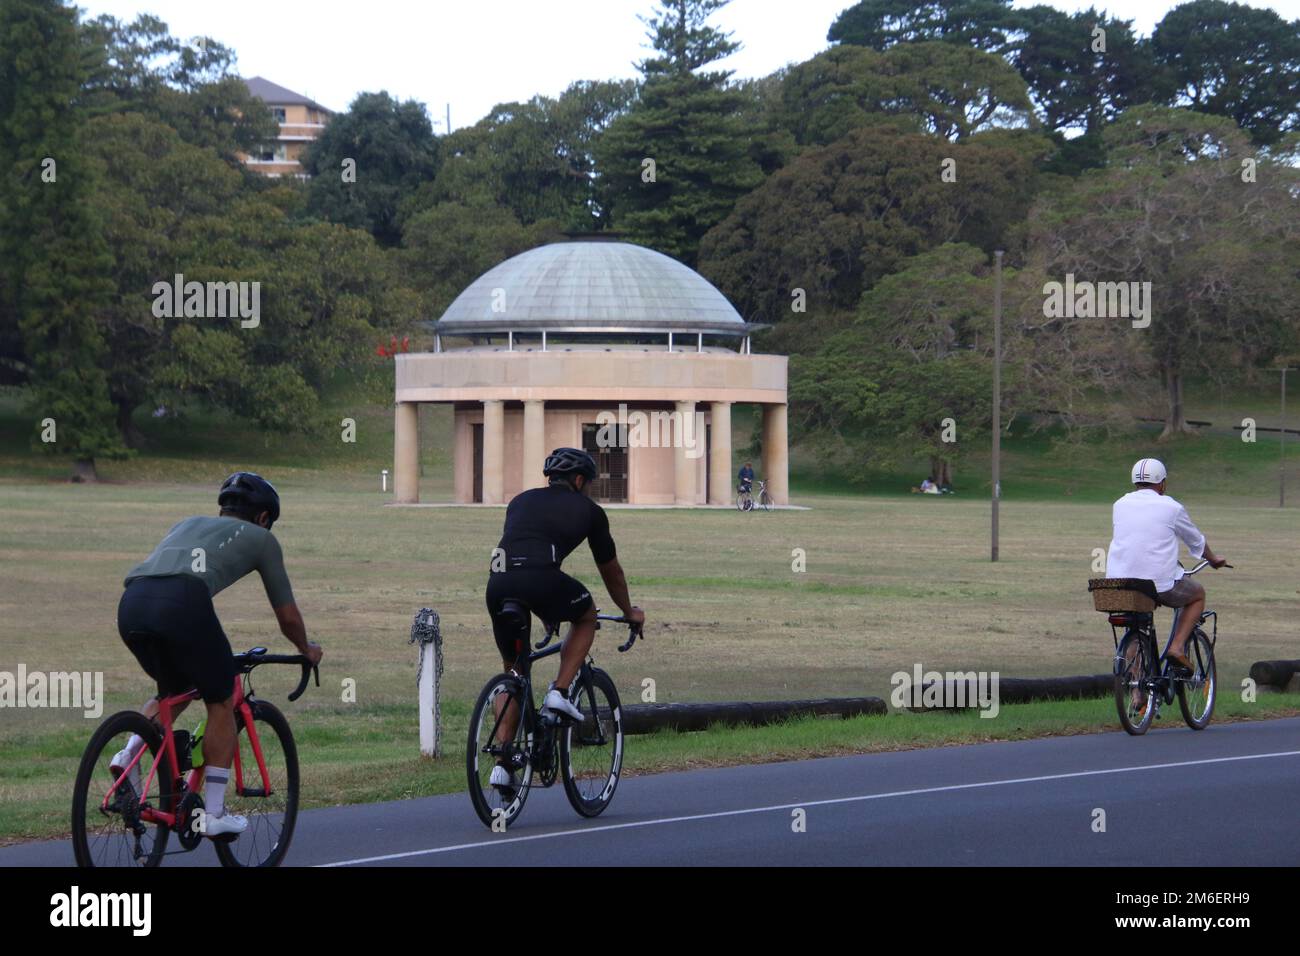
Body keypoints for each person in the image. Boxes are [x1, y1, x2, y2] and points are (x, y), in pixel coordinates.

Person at [113, 472, 322, 837]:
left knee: (174, 688)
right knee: (222, 697)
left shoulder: (187, 523)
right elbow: (287, 616)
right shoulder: (262, 540)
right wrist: (307, 649)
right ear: (262, 518)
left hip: (132, 603)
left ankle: (127, 756)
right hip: (183, 603)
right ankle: (213, 813)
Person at [485, 448, 644, 791]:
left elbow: (525, 548)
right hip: (542, 579)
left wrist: (544, 608)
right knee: (587, 614)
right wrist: (630, 610)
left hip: (499, 583)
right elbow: (611, 571)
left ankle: (502, 762)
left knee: (513, 670)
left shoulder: (520, 501)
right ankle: (559, 691)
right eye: (587, 483)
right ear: (578, 480)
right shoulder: (590, 511)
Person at [1105, 458, 1227, 676]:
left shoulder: (1119, 504)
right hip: (1159, 583)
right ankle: (1177, 647)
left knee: (1135, 627)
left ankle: (1136, 693)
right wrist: (1213, 559)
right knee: (1197, 594)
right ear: (1162, 483)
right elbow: (1196, 542)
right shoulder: (1171, 507)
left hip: (1121, 583)